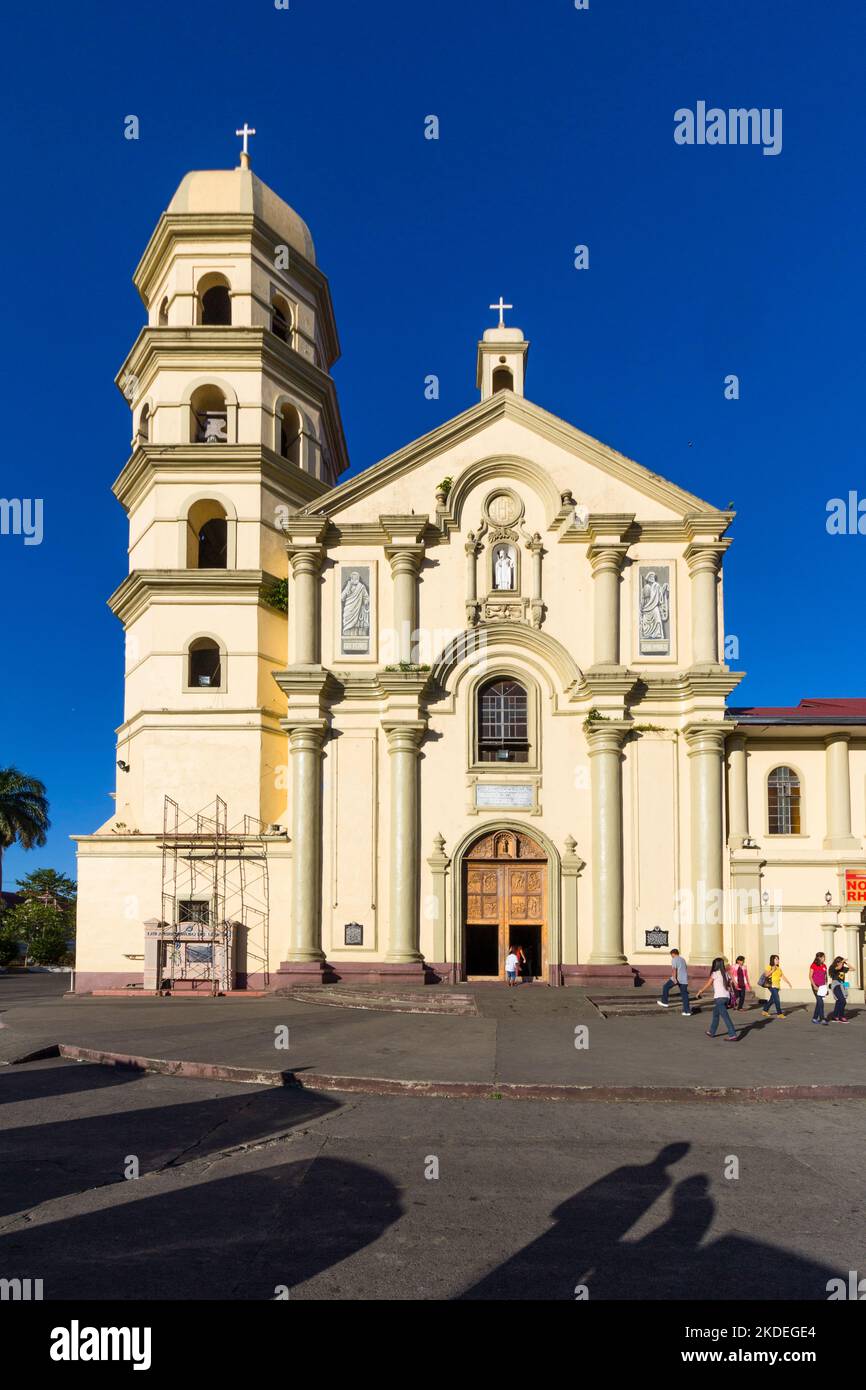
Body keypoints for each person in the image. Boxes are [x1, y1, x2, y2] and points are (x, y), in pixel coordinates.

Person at [695, 958, 739, 1040]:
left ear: (716, 965)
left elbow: (708, 984)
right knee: (715, 1014)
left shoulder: (715, 973)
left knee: (725, 1017)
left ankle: (732, 1035)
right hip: (726, 997)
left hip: (719, 998)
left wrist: (700, 991)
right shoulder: (725, 973)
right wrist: (735, 983)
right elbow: (730, 982)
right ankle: (711, 1032)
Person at [657, 948, 691, 1016]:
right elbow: (685, 968)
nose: (671, 956)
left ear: (673, 954)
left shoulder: (674, 959)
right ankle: (687, 1011)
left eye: (671, 955)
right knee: (684, 995)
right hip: (684, 979)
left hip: (677, 978)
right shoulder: (683, 959)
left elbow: (674, 969)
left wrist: (675, 978)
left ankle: (665, 1002)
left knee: (666, 987)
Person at [809, 952, 829, 1025]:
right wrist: (814, 985)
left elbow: (825, 976)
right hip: (815, 985)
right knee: (820, 1002)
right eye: (823, 957)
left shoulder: (824, 966)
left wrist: (825, 987)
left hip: (822, 986)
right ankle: (822, 1018)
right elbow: (810, 976)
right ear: (819, 957)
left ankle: (814, 1018)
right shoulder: (813, 965)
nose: (824, 958)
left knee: (819, 1003)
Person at [828, 957, 850, 1022]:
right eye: (839, 962)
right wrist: (842, 962)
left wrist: (846, 963)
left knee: (839, 1001)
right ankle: (841, 1016)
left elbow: (853, 969)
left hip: (842, 985)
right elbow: (839, 967)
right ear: (836, 962)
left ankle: (835, 1016)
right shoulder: (833, 967)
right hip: (836, 985)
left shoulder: (843, 968)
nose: (841, 964)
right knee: (842, 1000)